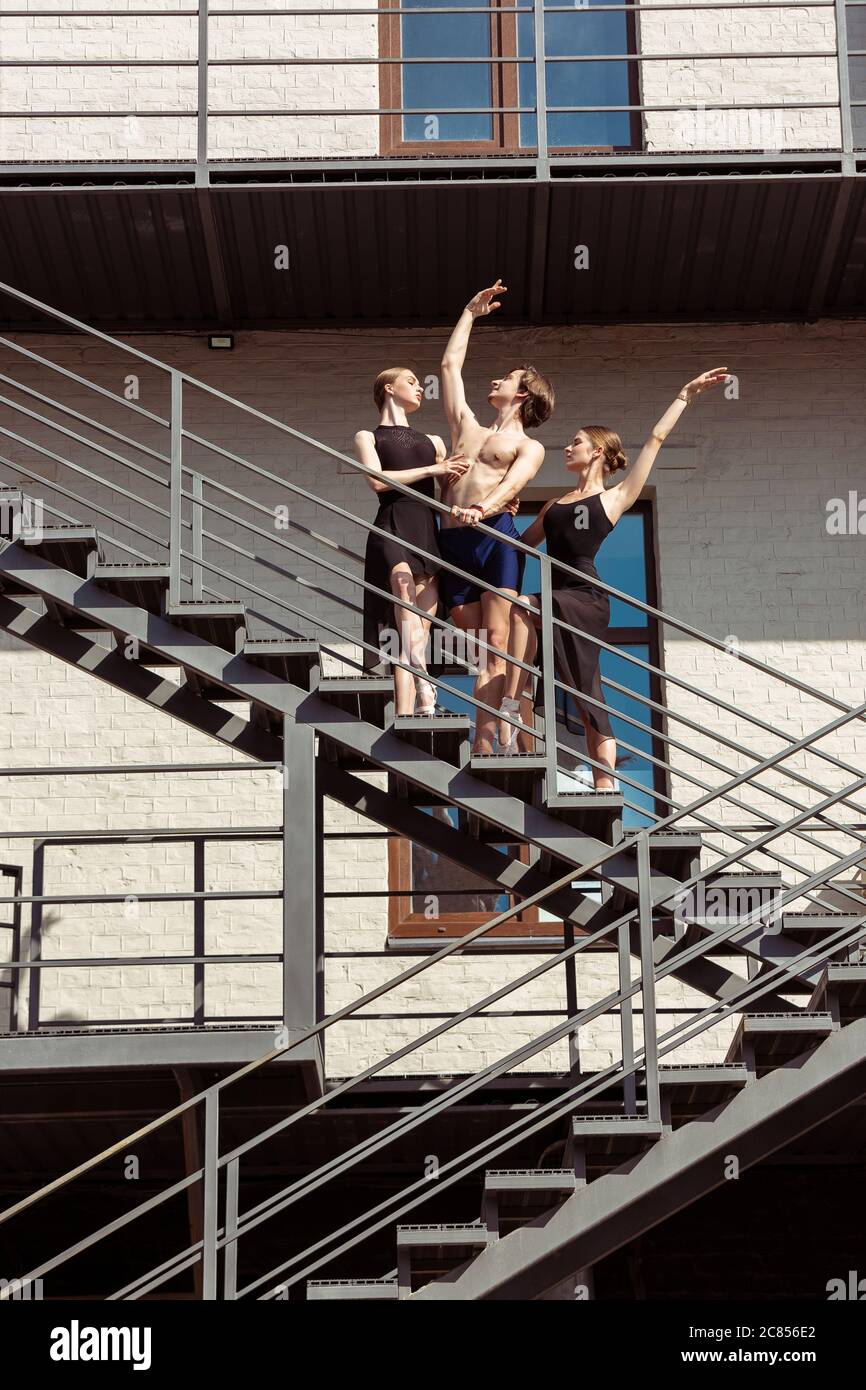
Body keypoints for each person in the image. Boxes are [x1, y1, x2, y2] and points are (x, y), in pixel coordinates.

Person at [513, 369, 729, 788]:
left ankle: (602, 777)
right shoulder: (554, 504)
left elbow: (655, 441)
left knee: (541, 629)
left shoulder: (614, 498)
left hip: (585, 597)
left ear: (597, 452)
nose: (567, 446)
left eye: (576, 441)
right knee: (580, 685)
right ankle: (524, 711)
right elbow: (521, 544)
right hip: (556, 596)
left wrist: (684, 395)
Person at [439, 279, 554, 754]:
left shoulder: (528, 445)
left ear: (523, 394)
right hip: (452, 541)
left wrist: (483, 508)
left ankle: (490, 744)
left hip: (494, 536)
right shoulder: (467, 425)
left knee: (496, 646)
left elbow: (515, 485)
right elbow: (449, 367)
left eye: (505, 379)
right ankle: (515, 711)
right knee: (476, 642)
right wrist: (469, 312)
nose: (495, 382)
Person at [357, 367, 469, 715]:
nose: (421, 387)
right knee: (403, 592)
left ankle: (412, 710)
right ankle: (425, 684)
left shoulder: (433, 441)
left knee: (415, 629)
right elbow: (378, 481)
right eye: (411, 381)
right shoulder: (367, 436)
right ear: (388, 388)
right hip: (391, 524)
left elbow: (451, 489)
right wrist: (432, 471)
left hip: (427, 531)